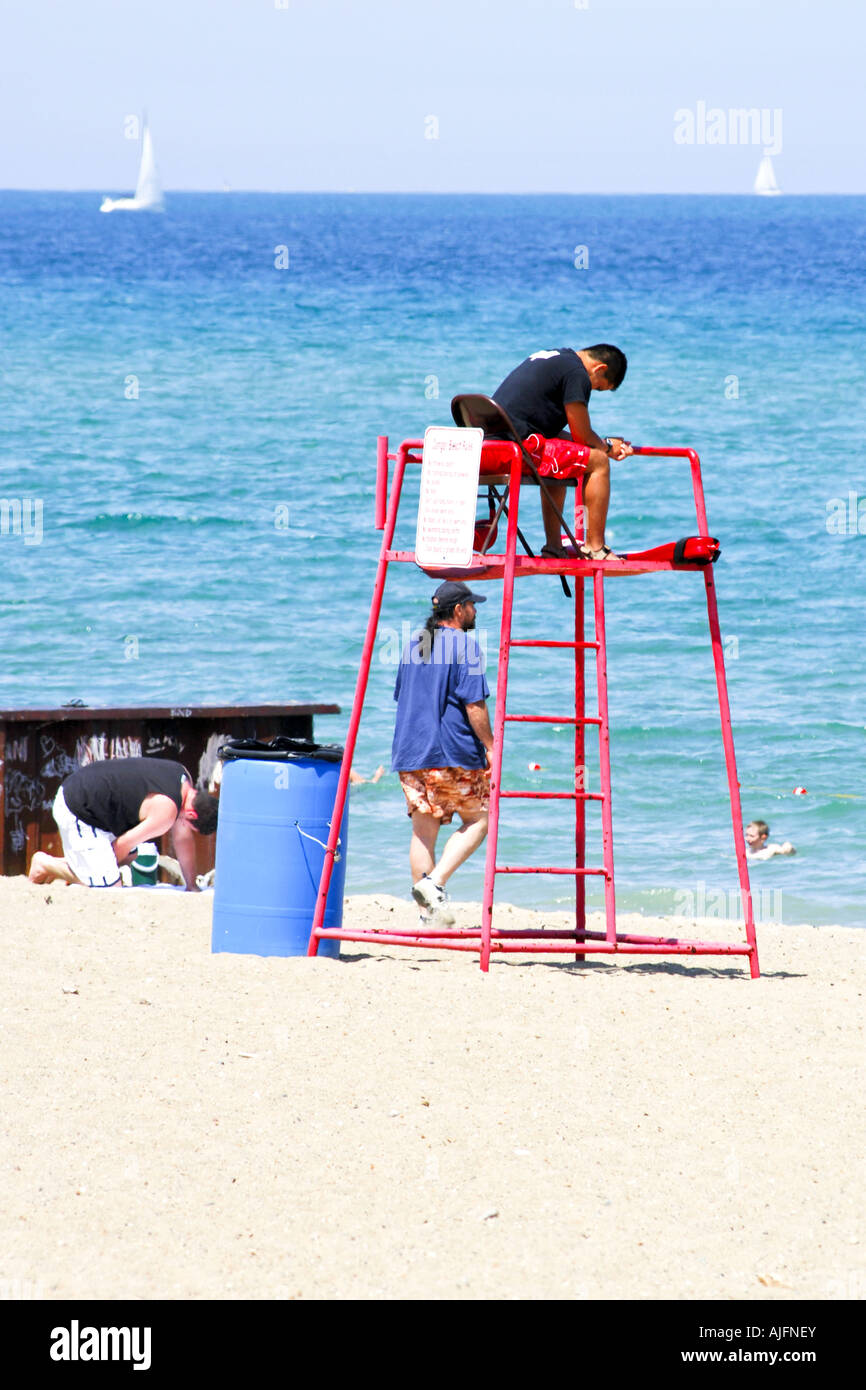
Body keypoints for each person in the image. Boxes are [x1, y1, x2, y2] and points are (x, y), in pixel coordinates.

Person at [391, 581, 493, 927]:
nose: (475, 611)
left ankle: (427, 917)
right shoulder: (469, 647)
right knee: (480, 820)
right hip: (452, 752)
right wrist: (492, 747)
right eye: (471, 605)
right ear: (457, 610)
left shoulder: (411, 646)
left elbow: (403, 696)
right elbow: (474, 706)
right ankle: (434, 883)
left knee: (423, 832)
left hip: (409, 751)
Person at [492, 344, 633, 560]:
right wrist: (607, 447)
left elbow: (565, 436)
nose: (591, 391)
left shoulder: (554, 358)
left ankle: (554, 547)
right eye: (598, 388)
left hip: (489, 446)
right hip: (514, 450)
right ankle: (595, 548)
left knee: (561, 461)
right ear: (599, 368)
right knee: (599, 461)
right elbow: (582, 435)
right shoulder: (577, 373)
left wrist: (603, 442)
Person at [28, 757, 219, 891]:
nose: (187, 829)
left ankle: (85, 867)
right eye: (192, 826)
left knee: (136, 854)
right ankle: (46, 864)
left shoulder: (183, 777)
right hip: (79, 809)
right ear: (192, 814)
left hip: (97, 808)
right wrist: (106, 871)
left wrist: (191, 885)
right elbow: (122, 845)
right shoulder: (167, 811)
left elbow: (183, 840)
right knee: (109, 888)